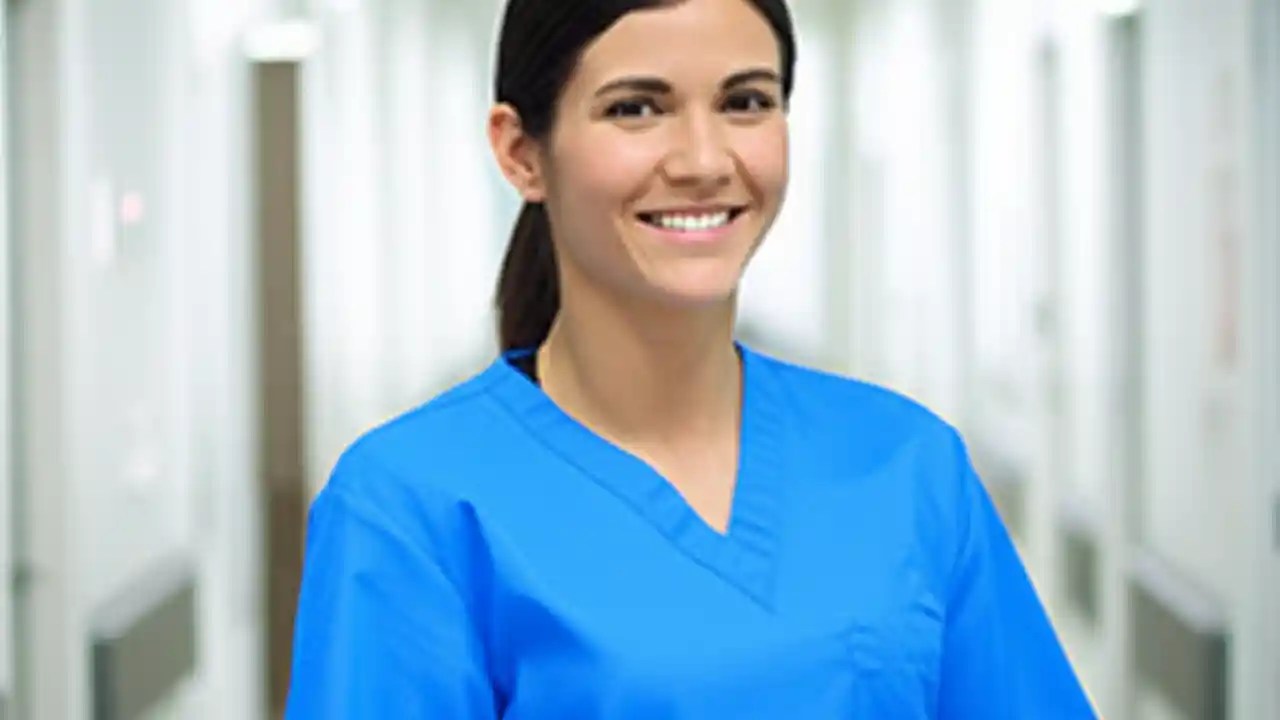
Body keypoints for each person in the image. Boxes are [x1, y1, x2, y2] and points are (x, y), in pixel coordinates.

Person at [285, 0, 1097, 717]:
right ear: (521, 153)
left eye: (746, 102)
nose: (705, 160)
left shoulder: (906, 464)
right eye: (637, 108)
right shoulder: (410, 505)